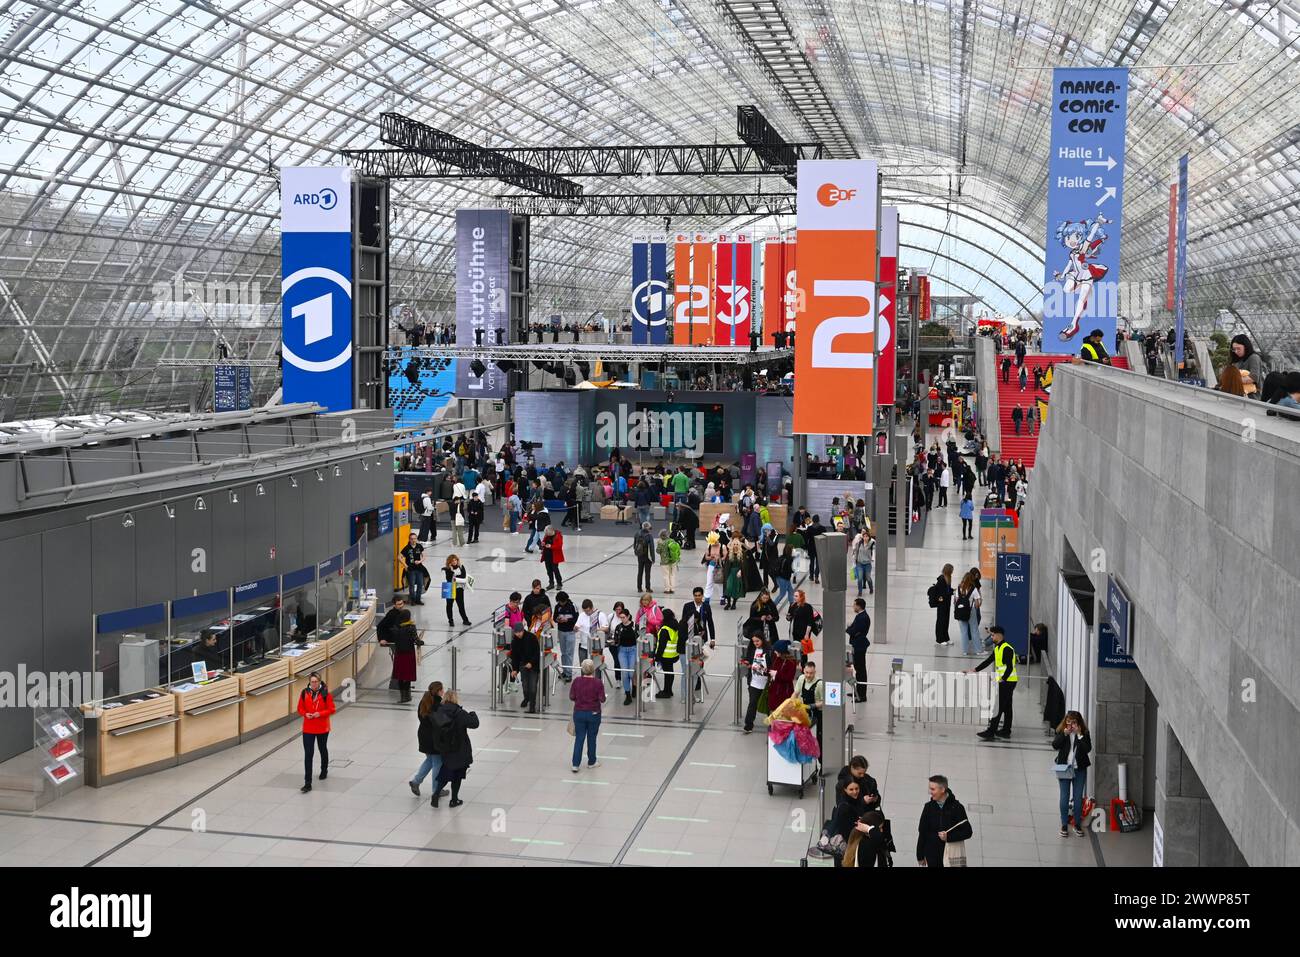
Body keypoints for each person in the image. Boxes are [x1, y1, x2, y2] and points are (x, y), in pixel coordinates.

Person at [429, 689, 479, 808]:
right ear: (455, 698)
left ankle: (436, 793)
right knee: (458, 775)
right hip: (460, 748)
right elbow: (474, 724)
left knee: (446, 772)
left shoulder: (440, 711)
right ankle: (454, 800)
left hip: (446, 748)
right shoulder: (459, 712)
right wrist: (473, 713)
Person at [969, 625, 1018, 739]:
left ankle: (991, 731)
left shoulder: (1007, 648)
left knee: (998, 707)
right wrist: (975, 670)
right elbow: (988, 661)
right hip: (1006, 681)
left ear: (998, 635)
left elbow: (1010, 667)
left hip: (1008, 682)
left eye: (992, 635)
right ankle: (1006, 730)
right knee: (1006, 707)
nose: (991, 637)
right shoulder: (997, 648)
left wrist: (1003, 678)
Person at [915, 774, 973, 867]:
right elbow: (922, 832)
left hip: (951, 857)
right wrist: (920, 855)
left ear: (942, 790)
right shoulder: (928, 807)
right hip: (932, 856)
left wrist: (948, 837)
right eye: (930, 789)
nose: (930, 792)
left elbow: (968, 832)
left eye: (933, 789)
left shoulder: (957, 808)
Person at [1054, 710, 1092, 837]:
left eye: (1074, 722)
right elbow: (1055, 745)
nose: (1071, 725)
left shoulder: (1084, 733)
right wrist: (1064, 735)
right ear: (1066, 721)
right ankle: (1064, 825)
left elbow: (1088, 749)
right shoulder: (1061, 731)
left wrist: (1079, 735)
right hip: (1064, 768)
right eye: (1068, 722)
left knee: (1077, 797)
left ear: (1078, 723)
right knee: (1064, 796)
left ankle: (1077, 824)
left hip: (1079, 768)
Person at [297, 672, 334, 793]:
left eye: (316, 682)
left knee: (322, 748)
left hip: (322, 727)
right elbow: (300, 708)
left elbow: (332, 709)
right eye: (312, 682)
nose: (314, 684)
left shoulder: (325, 694)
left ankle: (324, 769)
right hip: (308, 727)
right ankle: (307, 782)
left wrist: (320, 714)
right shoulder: (304, 693)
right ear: (309, 682)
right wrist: (305, 714)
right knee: (308, 754)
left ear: (319, 682)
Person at [409, 681, 447, 797]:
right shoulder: (438, 704)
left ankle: (416, 782)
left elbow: (421, 717)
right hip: (434, 738)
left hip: (423, 735)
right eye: (442, 689)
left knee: (430, 760)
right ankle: (436, 790)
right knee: (438, 762)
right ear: (439, 691)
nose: (443, 691)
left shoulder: (424, 701)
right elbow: (441, 723)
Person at [569, 659, 606, 771]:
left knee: (579, 738)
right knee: (592, 738)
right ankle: (591, 761)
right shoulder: (598, 682)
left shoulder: (576, 681)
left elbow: (572, 697)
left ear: (582, 669)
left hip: (579, 713)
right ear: (593, 670)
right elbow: (602, 699)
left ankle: (575, 764)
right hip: (593, 714)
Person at [386, 608, 422, 703]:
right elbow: (416, 640)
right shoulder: (411, 627)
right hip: (409, 654)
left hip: (399, 654)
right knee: (408, 675)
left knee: (400, 675)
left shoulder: (396, 627)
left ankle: (403, 697)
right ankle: (408, 695)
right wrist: (420, 642)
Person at [740, 632, 771, 734]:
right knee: (752, 704)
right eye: (754, 641)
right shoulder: (752, 650)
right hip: (754, 682)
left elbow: (771, 664)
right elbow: (749, 660)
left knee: (768, 705)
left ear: (762, 640)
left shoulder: (769, 651)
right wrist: (747, 663)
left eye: (757, 641)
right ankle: (748, 725)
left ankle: (772, 725)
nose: (755, 643)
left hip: (766, 683)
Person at [508, 621, 541, 713]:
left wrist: (531, 663)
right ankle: (526, 698)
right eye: (516, 632)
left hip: (533, 666)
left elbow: (537, 653)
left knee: (533, 686)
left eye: (519, 632)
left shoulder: (532, 638)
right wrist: (515, 669)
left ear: (523, 630)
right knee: (525, 686)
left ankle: (532, 706)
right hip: (523, 665)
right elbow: (515, 657)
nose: (518, 634)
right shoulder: (514, 641)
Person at [792, 660, 824, 751]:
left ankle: (820, 762)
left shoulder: (820, 684)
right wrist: (791, 702)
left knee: (818, 740)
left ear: (815, 672)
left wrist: (812, 706)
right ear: (803, 670)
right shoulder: (801, 678)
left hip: (818, 715)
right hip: (805, 713)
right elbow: (796, 693)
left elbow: (824, 702)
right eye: (807, 672)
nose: (808, 675)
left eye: (811, 673)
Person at [611, 606, 640, 705]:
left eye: (624, 617)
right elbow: (616, 639)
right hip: (622, 651)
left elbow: (640, 638)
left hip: (633, 650)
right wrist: (612, 642)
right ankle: (628, 695)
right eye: (621, 617)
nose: (622, 619)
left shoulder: (635, 626)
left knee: (631, 673)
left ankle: (634, 686)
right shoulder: (619, 627)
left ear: (628, 617)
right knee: (625, 673)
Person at [652, 607, 681, 698]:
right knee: (670, 673)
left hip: (666, 655)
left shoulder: (665, 629)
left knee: (667, 674)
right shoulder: (675, 625)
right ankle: (669, 690)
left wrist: (657, 657)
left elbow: (661, 645)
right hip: (673, 654)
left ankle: (666, 692)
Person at [846, 597, 871, 701]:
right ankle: (857, 692)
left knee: (860, 670)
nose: (853, 606)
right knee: (858, 669)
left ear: (858, 606)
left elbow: (855, 631)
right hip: (858, 645)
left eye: (854, 604)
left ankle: (861, 695)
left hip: (859, 646)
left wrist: (848, 628)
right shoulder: (860, 616)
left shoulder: (862, 618)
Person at [954, 569, 983, 656]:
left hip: (960, 611)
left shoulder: (959, 588)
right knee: (974, 630)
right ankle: (978, 650)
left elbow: (955, 601)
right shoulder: (973, 589)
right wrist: (976, 604)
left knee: (963, 632)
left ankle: (965, 651)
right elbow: (977, 604)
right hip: (971, 611)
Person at [552, 591, 579, 681]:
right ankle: (565, 671)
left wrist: (567, 620)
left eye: (562, 602)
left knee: (569, 653)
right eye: (559, 602)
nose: (561, 603)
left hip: (570, 632)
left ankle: (569, 673)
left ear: (566, 600)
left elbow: (576, 618)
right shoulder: (557, 606)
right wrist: (558, 619)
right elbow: (554, 617)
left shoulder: (572, 606)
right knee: (563, 653)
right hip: (561, 631)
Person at [1228, 334, 1263, 398]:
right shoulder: (1237, 360)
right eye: (1234, 349)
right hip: (1237, 395)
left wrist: (1232, 381)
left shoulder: (1254, 357)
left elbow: (1254, 377)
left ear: (1246, 346)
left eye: (1238, 349)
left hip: (1251, 397)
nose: (1236, 351)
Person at [786, 588, 816, 658]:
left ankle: (804, 665)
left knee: (803, 651)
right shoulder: (792, 605)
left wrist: (807, 634)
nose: (794, 597)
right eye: (794, 596)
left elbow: (810, 621)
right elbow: (789, 617)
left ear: (801, 597)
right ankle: (797, 663)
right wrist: (788, 617)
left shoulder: (807, 607)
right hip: (794, 631)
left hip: (803, 632)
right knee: (795, 649)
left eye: (796, 596)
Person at [442, 555, 471, 628]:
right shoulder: (447, 569)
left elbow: (463, 576)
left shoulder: (461, 567)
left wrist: (455, 577)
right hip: (450, 587)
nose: (454, 562)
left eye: (455, 560)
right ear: (449, 562)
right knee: (449, 605)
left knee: (461, 605)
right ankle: (450, 620)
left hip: (459, 588)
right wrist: (451, 571)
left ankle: (465, 620)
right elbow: (449, 579)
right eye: (452, 561)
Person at [930, 563, 954, 645]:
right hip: (942, 604)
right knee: (941, 621)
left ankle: (946, 638)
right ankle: (940, 639)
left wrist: (952, 591)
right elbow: (942, 592)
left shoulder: (948, 578)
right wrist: (951, 592)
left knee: (946, 621)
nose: (952, 572)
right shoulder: (941, 579)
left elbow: (947, 590)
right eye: (951, 570)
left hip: (947, 603)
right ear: (948, 570)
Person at [401, 531, 426, 604]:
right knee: (411, 585)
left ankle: (418, 600)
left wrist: (420, 561)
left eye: (415, 538)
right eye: (412, 539)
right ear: (409, 539)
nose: (413, 540)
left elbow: (424, 556)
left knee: (420, 584)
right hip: (411, 570)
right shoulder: (407, 548)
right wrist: (405, 565)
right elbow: (399, 557)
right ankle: (412, 600)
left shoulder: (419, 546)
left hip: (419, 568)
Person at [656, 529, 681, 594]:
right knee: (672, 575)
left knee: (666, 576)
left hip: (665, 562)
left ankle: (667, 589)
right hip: (673, 561)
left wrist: (658, 544)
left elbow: (658, 551)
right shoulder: (672, 541)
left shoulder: (661, 543)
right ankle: (672, 588)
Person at [633, 521, 655, 592]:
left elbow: (634, 545)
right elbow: (651, 548)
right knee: (647, 573)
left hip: (640, 556)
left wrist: (637, 552)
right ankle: (648, 588)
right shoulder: (649, 535)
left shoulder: (637, 533)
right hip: (647, 557)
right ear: (648, 527)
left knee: (640, 572)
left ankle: (639, 588)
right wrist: (653, 558)